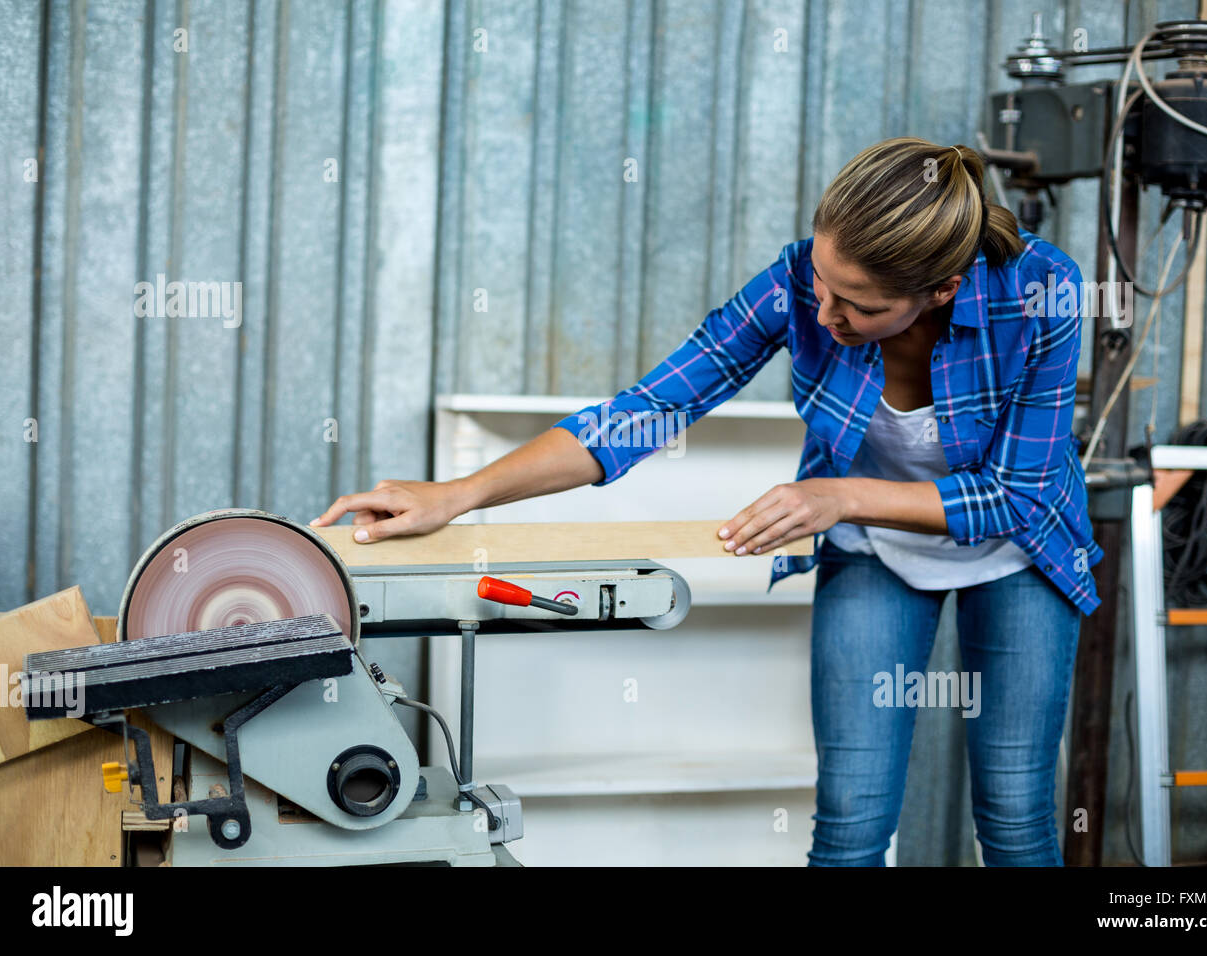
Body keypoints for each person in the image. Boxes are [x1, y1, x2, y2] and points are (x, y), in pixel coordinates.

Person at [312, 136, 1104, 866]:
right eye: (823, 287)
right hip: (876, 552)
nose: (823, 316)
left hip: (1019, 555)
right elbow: (644, 412)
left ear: (941, 289)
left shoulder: (1040, 291)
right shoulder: (802, 281)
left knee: (1013, 812)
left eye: (856, 306)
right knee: (853, 817)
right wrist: (458, 495)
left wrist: (837, 495)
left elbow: (1015, 497)